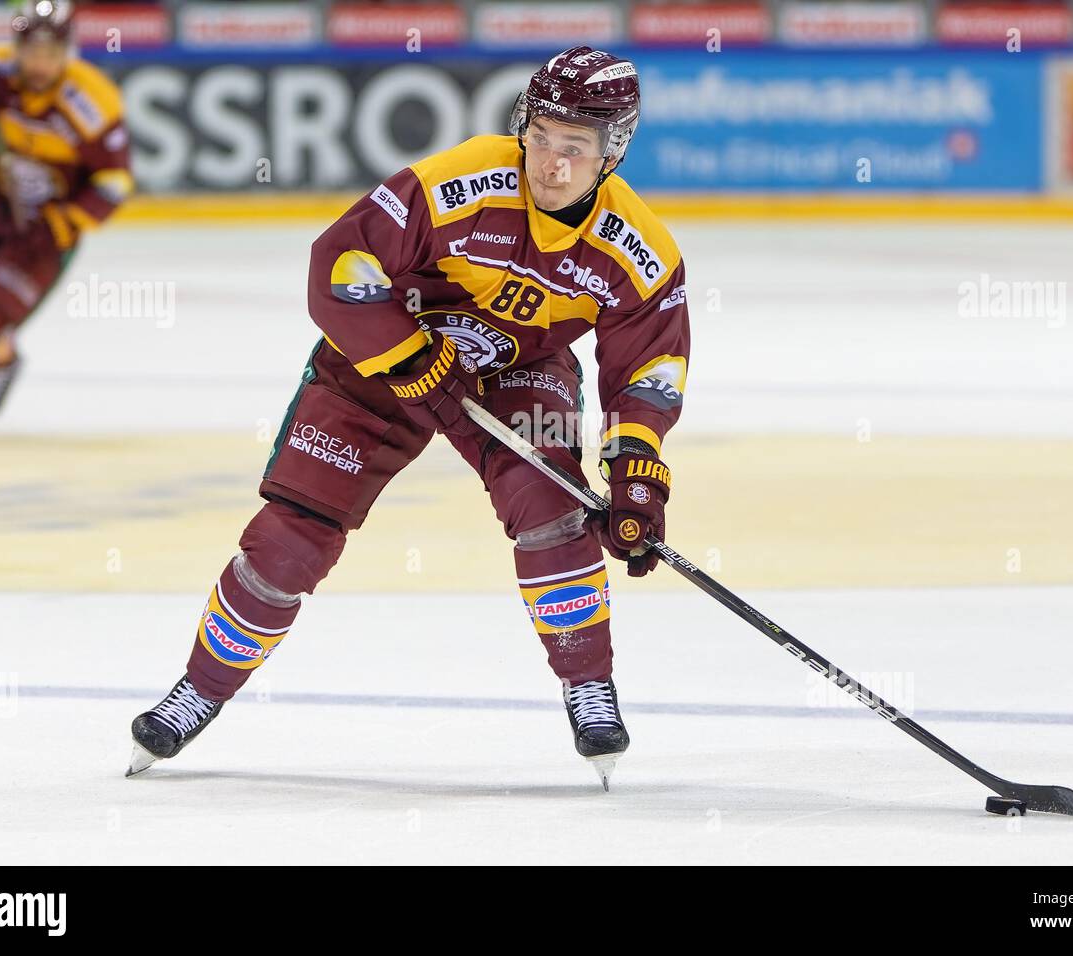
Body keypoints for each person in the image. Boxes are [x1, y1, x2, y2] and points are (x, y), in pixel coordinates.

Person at [128, 47, 690, 790]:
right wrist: (401, 354)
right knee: (293, 533)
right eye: (542, 135)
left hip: (518, 371)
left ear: (612, 151)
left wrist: (637, 481)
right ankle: (199, 689)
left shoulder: (640, 251)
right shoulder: (459, 180)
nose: (549, 162)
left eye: (574, 148)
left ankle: (588, 684)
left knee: (554, 512)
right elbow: (340, 265)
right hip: (385, 353)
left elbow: (645, 372)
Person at [0, 0, 132, 425]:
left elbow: (114, 183)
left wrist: (61, 223)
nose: (39, 64)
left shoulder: (92, 101)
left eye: (51, 54)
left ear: (67, 54)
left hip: (48, 224)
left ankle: (2, 364)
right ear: (16, 47)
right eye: (31, 51)